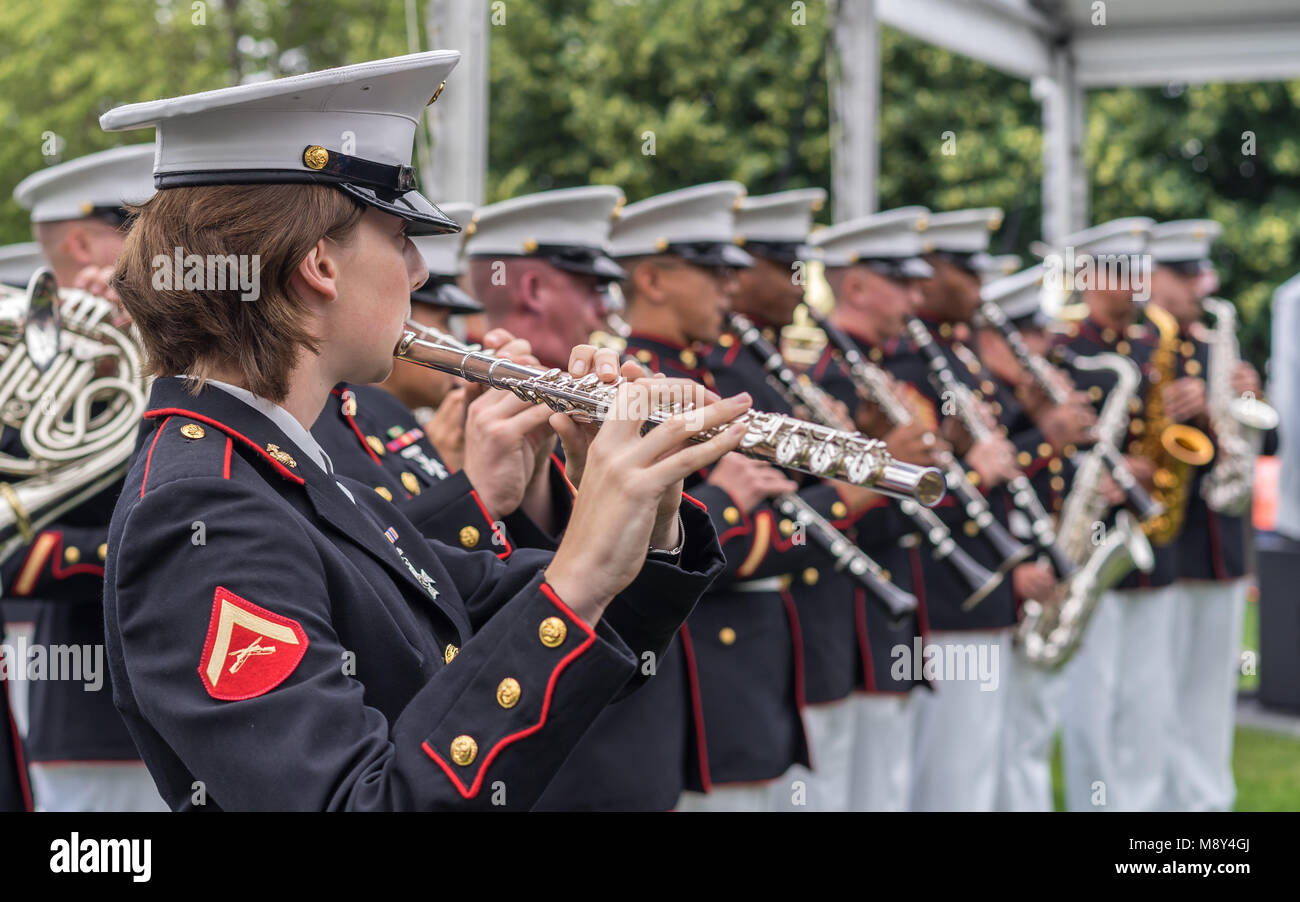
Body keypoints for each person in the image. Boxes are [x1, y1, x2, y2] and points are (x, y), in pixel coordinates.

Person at [97, 50, 743, 811]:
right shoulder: (205, 509)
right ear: (319, 266)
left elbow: (480, 618)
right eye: (400, 238)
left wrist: (645, 521)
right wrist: (582, 569)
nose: (417, 272)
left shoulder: (286, 467)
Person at [2, 144, 166, 812]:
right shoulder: (28, 365)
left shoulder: (173, 350)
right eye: (143, 227)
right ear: (85, 243)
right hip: (93, 723)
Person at [1053, 217, 1189, 812]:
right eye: (1118, 274)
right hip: (1092, 535)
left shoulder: (1153, 340)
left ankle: (1148, 815)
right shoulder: (1061, 346)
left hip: (1148, 535)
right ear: (1087, 276)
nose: (1132, 286)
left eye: (1138, 272)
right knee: (1092, 692)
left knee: (1148, 692)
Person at [1150, 219, 1272, 811]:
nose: (1198, 285)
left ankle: (1206, 809)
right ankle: (1168, 810)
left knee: (1209, 691)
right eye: (1183, 274)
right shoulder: (1150, 347)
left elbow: (1253, 446)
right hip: (1174, 543)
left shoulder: (1215, 339)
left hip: (1223, 538)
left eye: (1199, 273)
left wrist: (1246, 397)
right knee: (1161, 692)